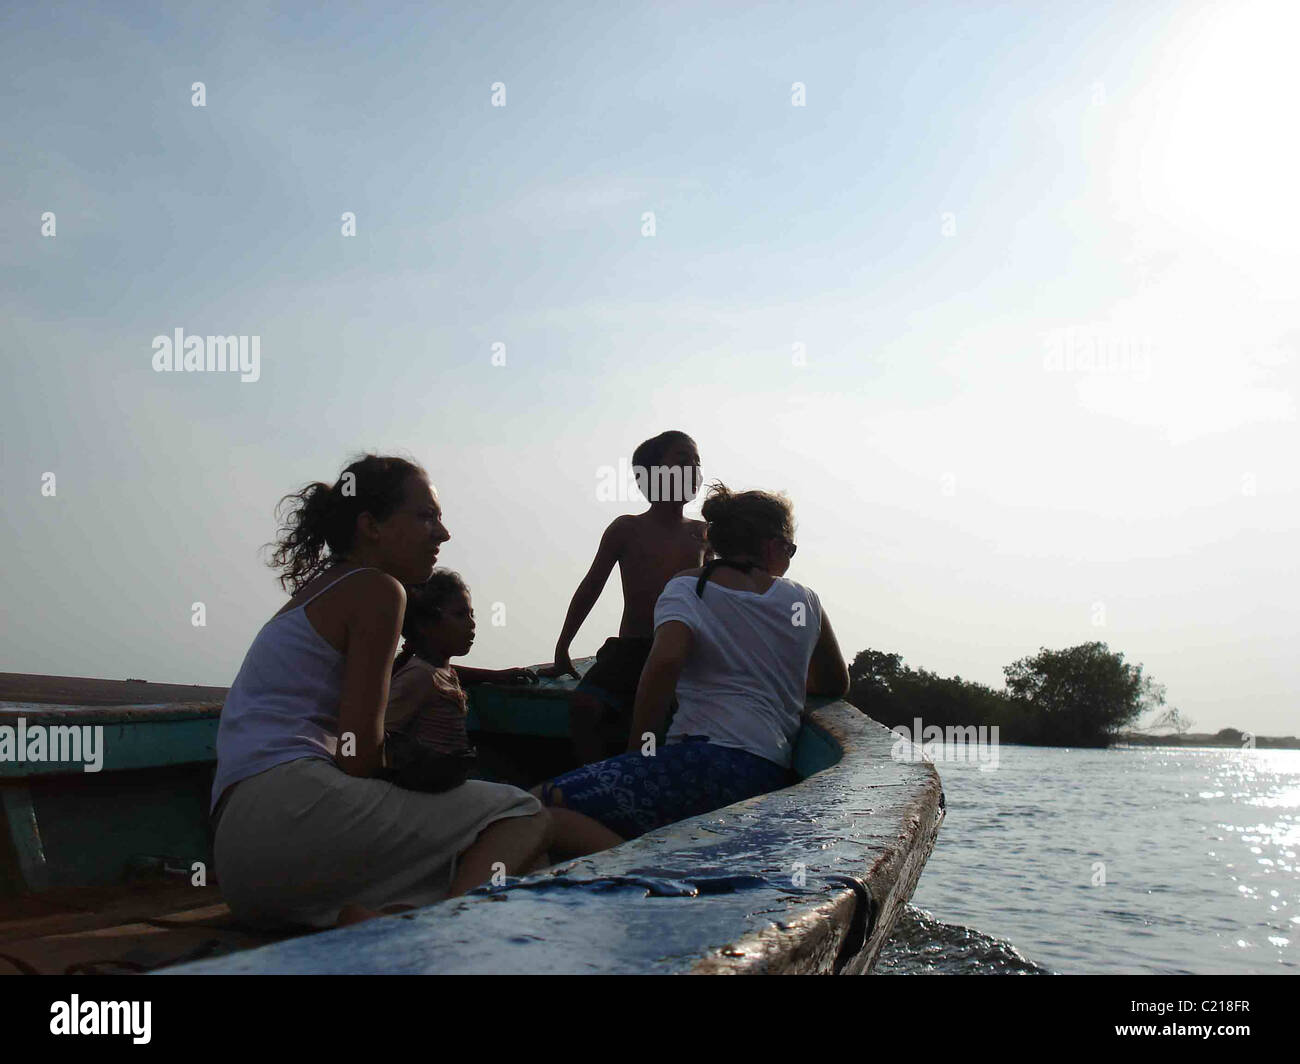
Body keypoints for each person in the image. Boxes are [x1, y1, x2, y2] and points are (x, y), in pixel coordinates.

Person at [210, 454, 554, 930]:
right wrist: (422, 766)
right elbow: (358, 757)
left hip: (240, 861)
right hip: (294, 815)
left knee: (469, 853)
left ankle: (378, 917)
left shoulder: (316, 594)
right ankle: (451, 933)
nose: (443, 533)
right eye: (426, 516)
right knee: (522, 814)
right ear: (370, 525)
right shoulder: (378, 590)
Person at [533, 483, 850, 841]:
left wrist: (639, 752)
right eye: (790, 548)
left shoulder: (688, 586)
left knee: (528, 809)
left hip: (698, 762)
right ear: (772, 546)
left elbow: (666, 661)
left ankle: (625, 863)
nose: (790, 557)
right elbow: (834, 683)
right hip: (768, 771)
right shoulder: (804, 600)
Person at [385, 570, 622, 859]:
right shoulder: (419, 677)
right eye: (460, 616)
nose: (472, 625)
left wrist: (497, 677)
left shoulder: (437, 670)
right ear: (425, 625)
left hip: (449, 786)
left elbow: (452, 674)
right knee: (531, 809)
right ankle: (624, 863)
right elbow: (383, 734)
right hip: (432, 796)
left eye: (472, 615)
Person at [538, 431, 708, 762]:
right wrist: (563, 647)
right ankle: (596, 780)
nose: (693, 469)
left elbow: (718, 598)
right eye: (682, 460)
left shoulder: (703, 535)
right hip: (631, 649)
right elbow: (591, 587)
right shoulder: (626, 529)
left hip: (682, 655)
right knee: (585, 707)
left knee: (672, 726)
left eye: (696, 463)